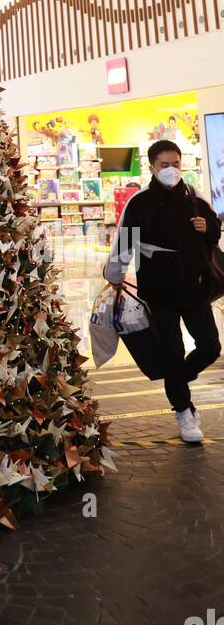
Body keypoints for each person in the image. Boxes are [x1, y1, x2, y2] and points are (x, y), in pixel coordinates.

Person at [105, 139, 222, 443]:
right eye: (164, 165)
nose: (171, 170)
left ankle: (180, 375)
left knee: (210, 346)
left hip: (195, 290)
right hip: (159, 294)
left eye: (176, 164)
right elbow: (125, 242)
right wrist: (114, 274)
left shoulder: (195, 199)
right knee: (172, 351)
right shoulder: (140, 203)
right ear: (152, 167)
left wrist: (206, 228)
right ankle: (184, 412)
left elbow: (214, 231)